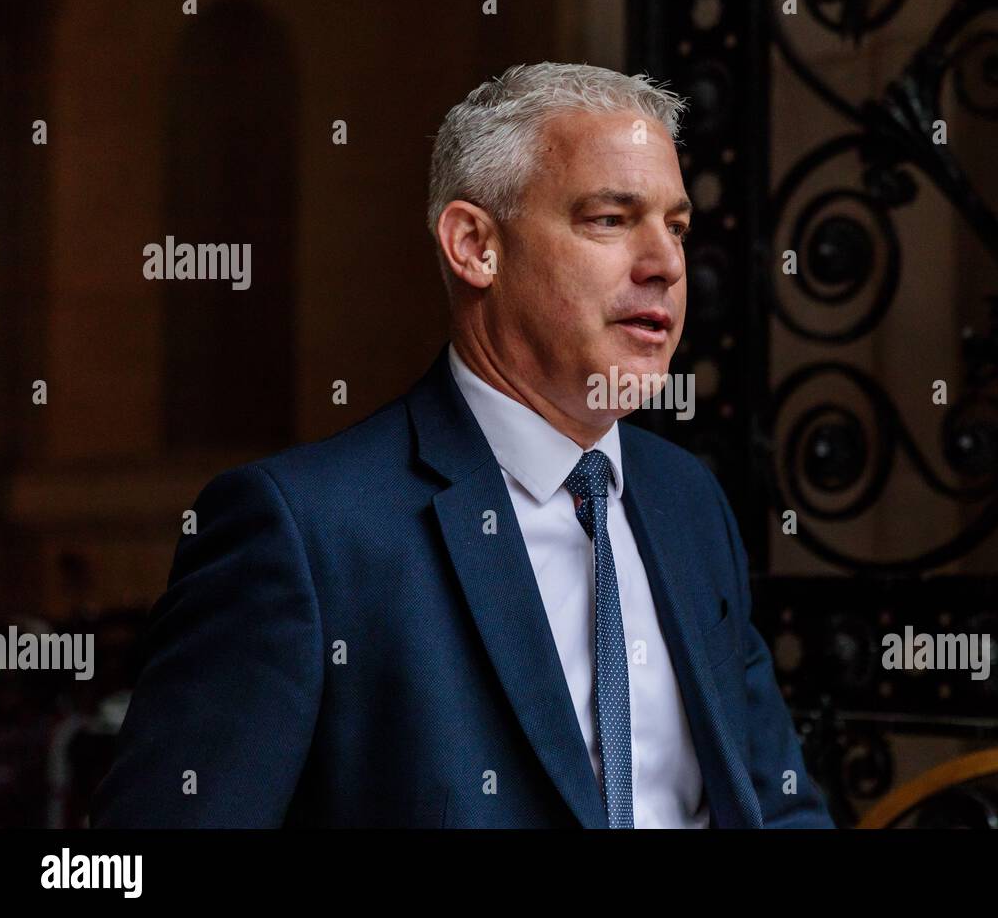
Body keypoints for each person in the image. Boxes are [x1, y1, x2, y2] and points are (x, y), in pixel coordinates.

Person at [89, 62, 834, 828]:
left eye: (676, 226)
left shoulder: (689, 501)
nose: (667, 264)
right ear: (476, 245)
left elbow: (779, 807)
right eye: (610, 219)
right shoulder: (306, 533)